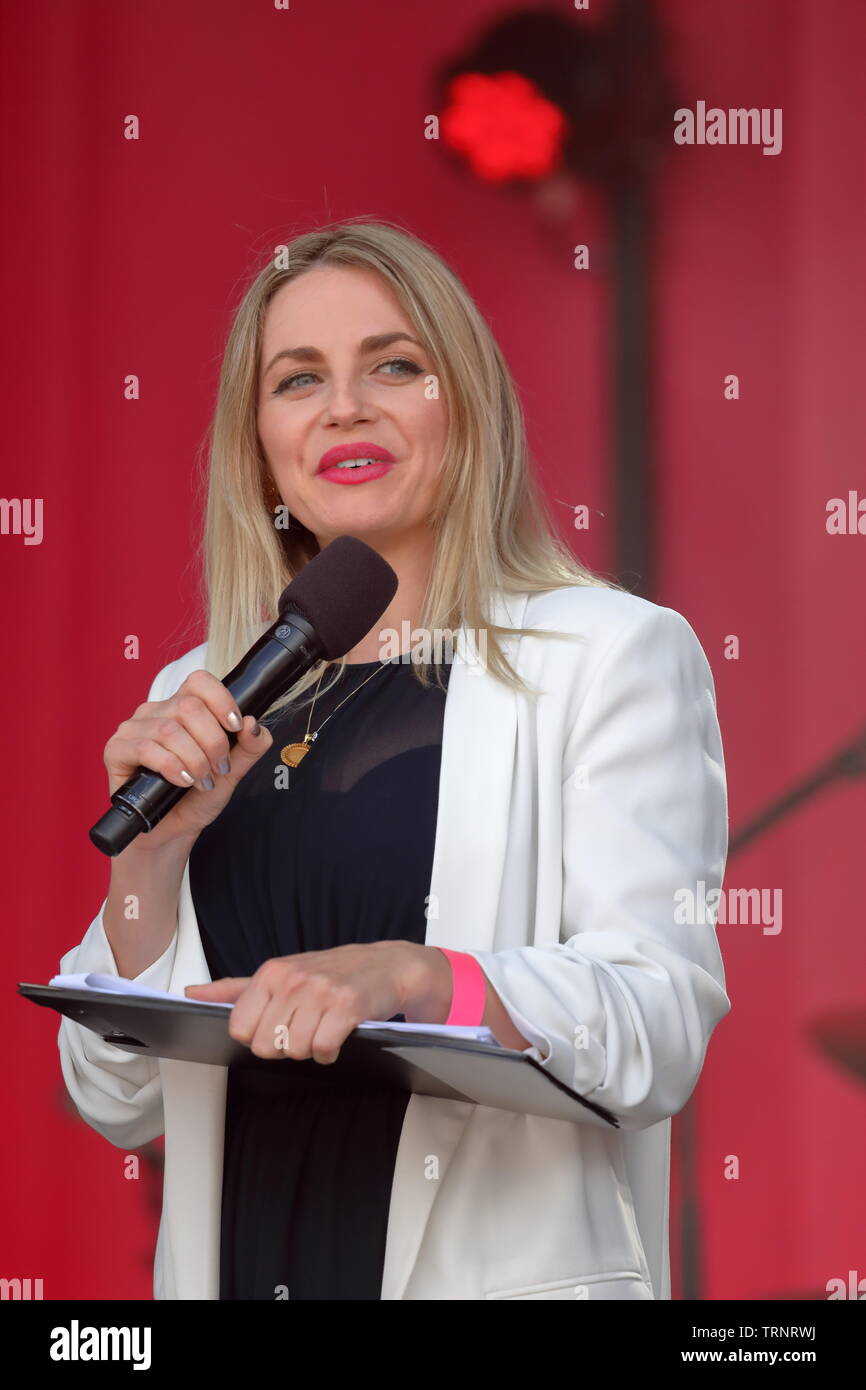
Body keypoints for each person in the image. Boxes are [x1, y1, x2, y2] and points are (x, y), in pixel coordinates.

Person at [57, 217, 730, 1301]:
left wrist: (422, 979)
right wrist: (148, 866)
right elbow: (115, 1098)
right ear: (259, 444)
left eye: (394, 365)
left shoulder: (607, 655)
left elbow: (653, 1027)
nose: (343, 407)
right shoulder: (204, 689)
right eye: (297, 380)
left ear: (462, 407)